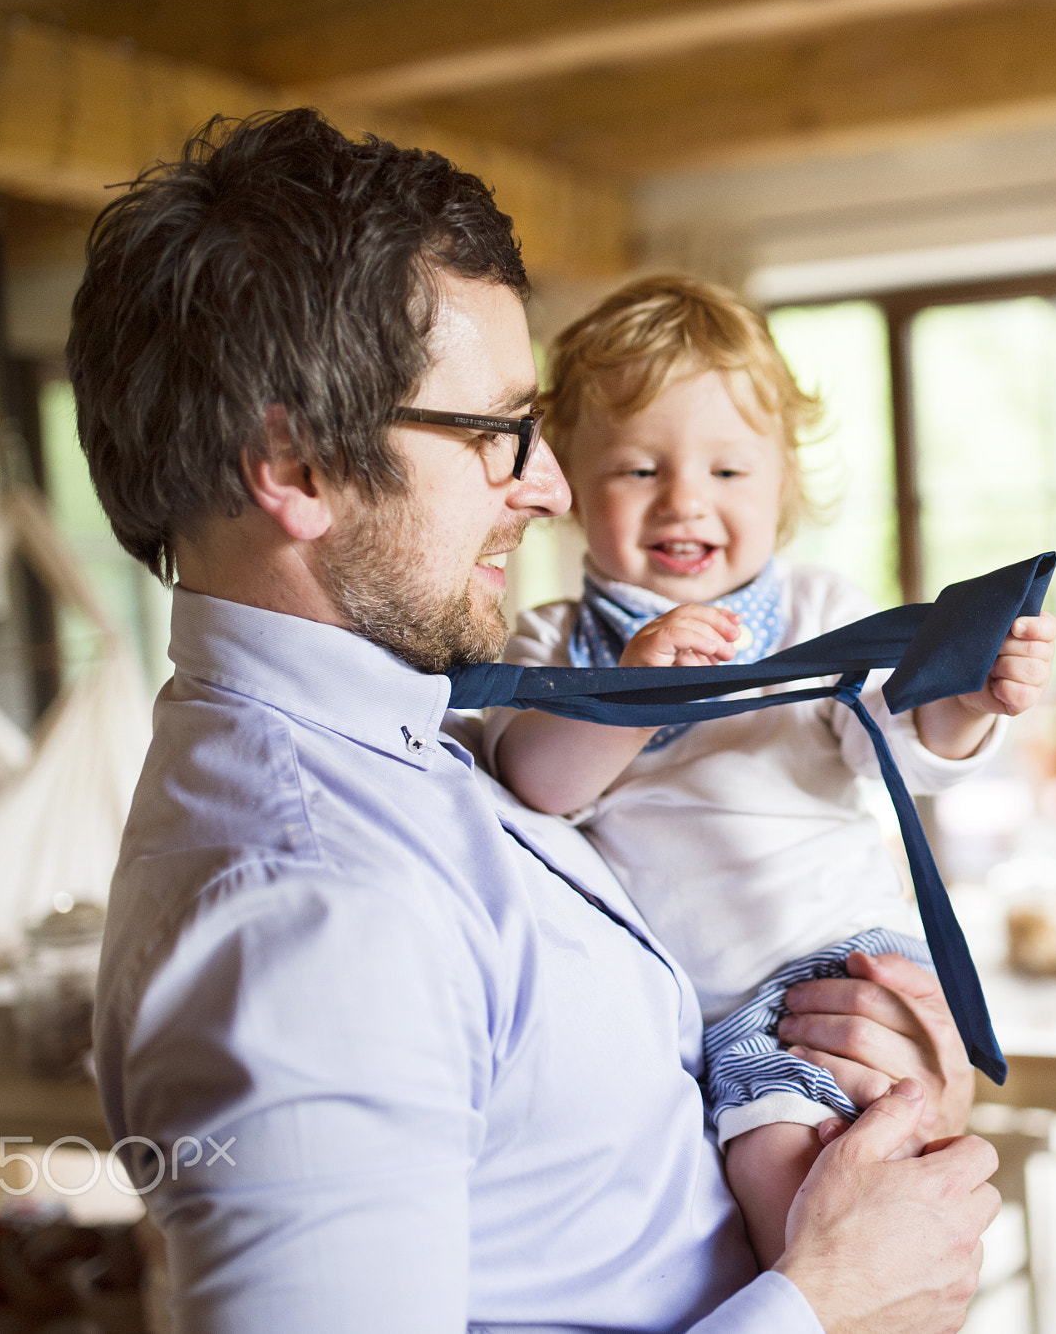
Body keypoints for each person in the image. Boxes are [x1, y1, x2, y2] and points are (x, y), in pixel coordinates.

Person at [77, 109, 998, 1333]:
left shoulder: (413, 745)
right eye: (499, 431)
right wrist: (827, 1302)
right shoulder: (307, 919)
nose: (551, 485)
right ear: (293, 466)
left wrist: (869, 1069)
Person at [483, 274, 1056, 1264]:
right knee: (764, 1188)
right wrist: (630, 687)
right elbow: (540, 781)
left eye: (727, 472)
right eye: (636, 469)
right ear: (566, 479)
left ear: (783, 487)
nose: (684, 501)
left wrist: (967, 698)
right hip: (686, 1017)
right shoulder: (553, 644)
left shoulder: (813, 616)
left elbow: (895, 738)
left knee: (800, 1168)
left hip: (832, 968)